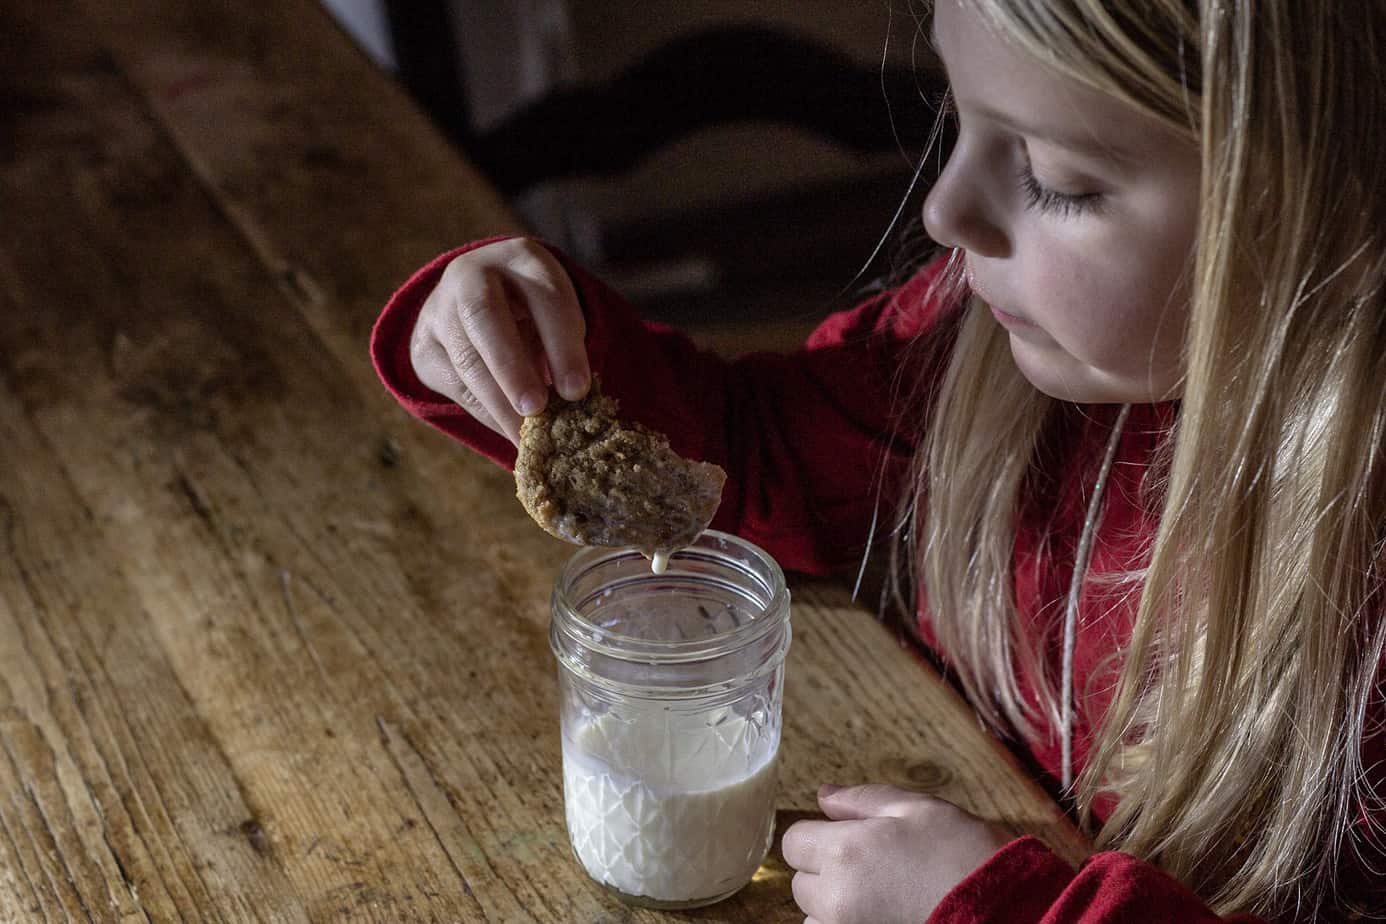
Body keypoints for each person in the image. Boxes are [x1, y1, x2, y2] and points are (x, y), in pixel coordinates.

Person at [370, 0, 1386, 920]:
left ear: (1315, 210)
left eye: (1056, 177)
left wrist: (1007, 911)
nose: (944, 210)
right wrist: (529, 353)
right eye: (959, 116)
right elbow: (752, 453)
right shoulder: (962, 357)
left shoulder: (1361, 598)